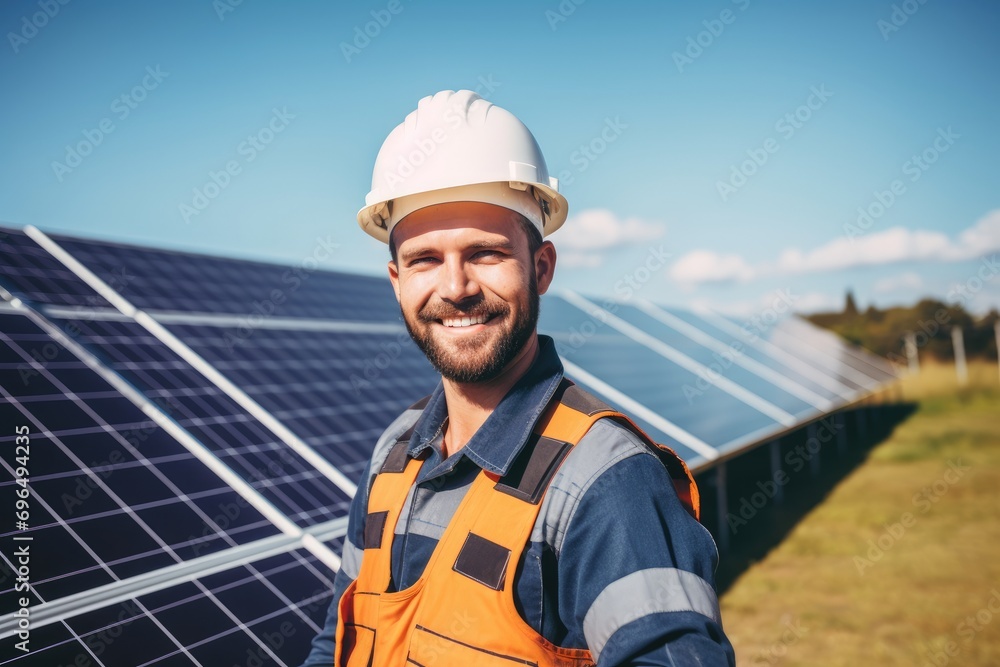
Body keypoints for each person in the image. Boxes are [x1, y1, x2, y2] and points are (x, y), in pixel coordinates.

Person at [301, 90, 734, 666]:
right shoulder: (393, 456)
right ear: (395, 281)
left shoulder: (608, 480)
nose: (455, 287)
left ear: (542, 267)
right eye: (425, 260)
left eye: (485, 253)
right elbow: (335, 644)